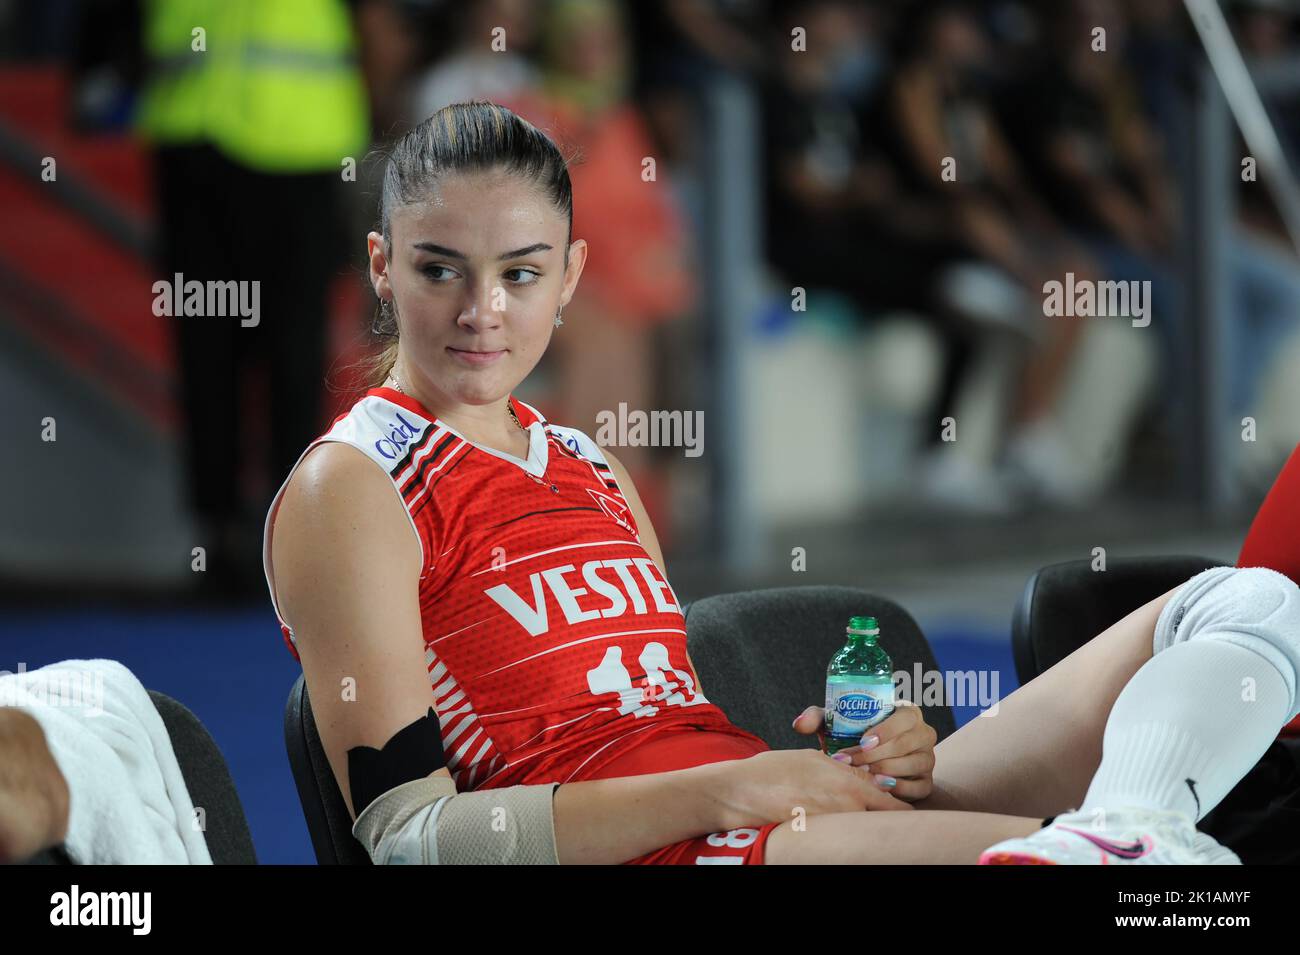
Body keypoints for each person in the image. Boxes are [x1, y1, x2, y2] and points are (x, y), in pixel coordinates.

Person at [262, 101, 1300, 864]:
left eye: (520, 273)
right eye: (440, 268)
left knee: (1250, 603)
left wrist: (866, 752)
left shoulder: (586, 463)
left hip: (753, 811)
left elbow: (659, 714)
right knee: (1144, 883)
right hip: (678, 845)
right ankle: (1122, 847)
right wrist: (725, 787)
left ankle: (1128, 829)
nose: (482, 309)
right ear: (381, 266)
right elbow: (409, 841)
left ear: (571, 276)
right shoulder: (353, 486)